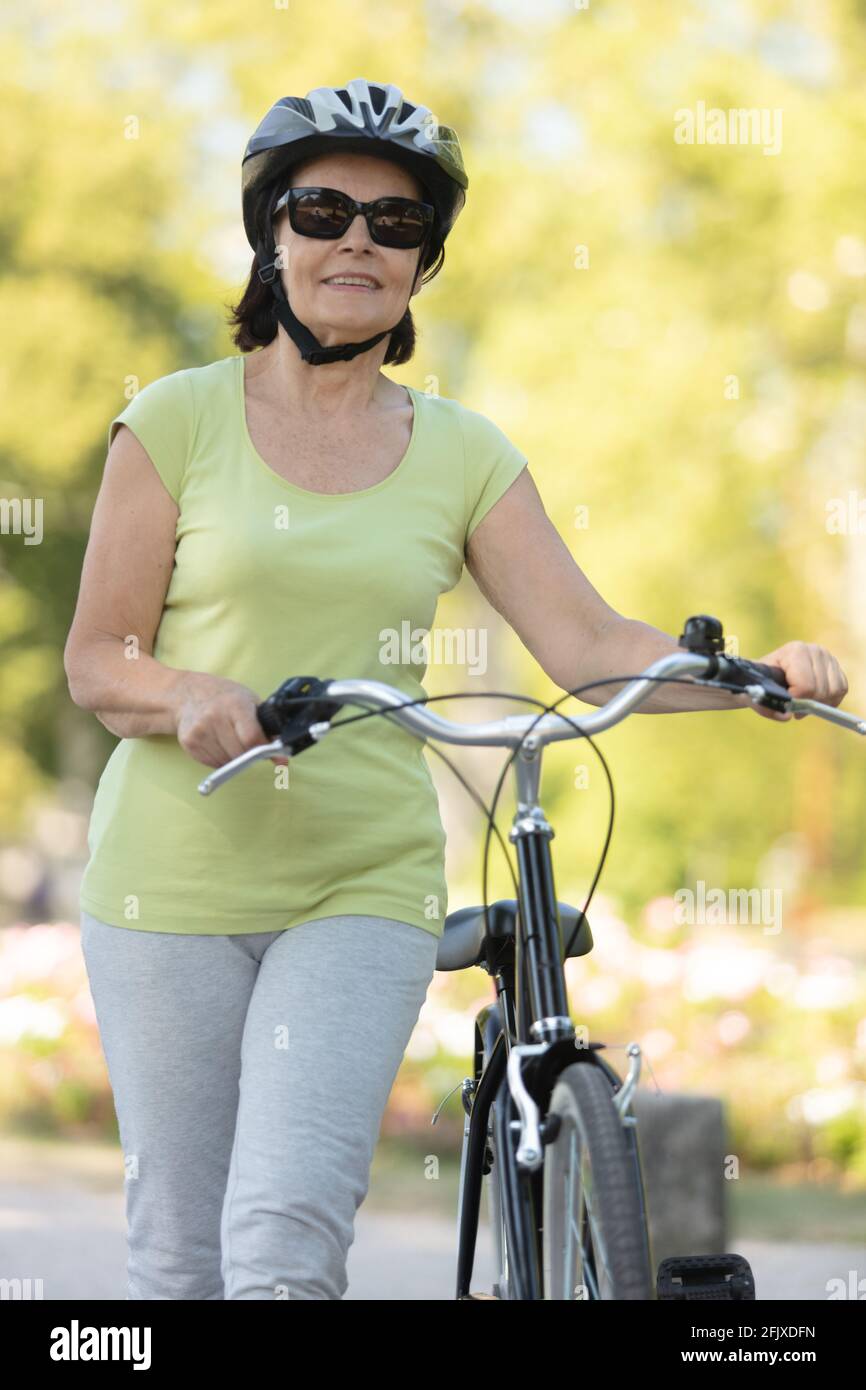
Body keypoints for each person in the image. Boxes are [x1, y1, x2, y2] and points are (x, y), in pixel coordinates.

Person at [64, 78, 848, 1301]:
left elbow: (586, 643)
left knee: (284, 1243)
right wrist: (184, 695)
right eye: (322, 211)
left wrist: (754, 679)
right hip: (170, 882)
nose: (356, 243)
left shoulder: (464, 454)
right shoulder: (173, 422)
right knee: (179, 1259)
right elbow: (98, 658)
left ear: (424, 261)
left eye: (396, 223)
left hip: (359, 881)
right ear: (272, 232)